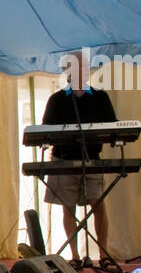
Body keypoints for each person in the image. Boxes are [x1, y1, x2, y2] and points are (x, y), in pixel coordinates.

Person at [41, 51, 117, 261]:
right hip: (64, 160)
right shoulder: (56, 99)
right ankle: (74, 255)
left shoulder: (100, 97)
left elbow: (113, 127)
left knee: (98, 204)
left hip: (92, 158)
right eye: (73, 66)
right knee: (68, 207)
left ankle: (103, 254)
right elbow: (46, 130)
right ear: (66, 71)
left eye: (82, 66)